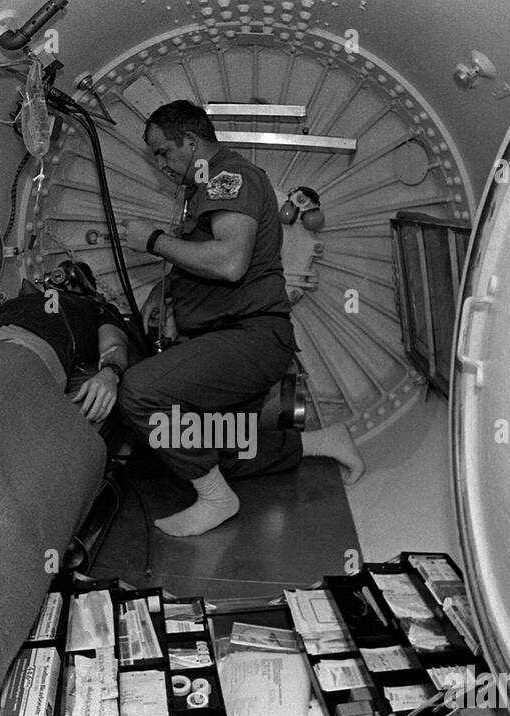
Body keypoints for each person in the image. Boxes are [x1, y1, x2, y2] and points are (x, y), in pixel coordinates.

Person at [120, 99, 364, 537]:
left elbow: (230, 261)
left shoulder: (228, 178)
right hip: (230, 337)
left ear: (191, 142)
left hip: (249, 336)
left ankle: (216, 499)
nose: (160, 165)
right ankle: (326, 442)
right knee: (216, 447)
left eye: (162, 152)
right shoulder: (203, 188)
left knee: (139, 393)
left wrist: (153, 240)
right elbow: (201, 264)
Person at [0, 269, 131, 425]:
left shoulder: (95, 307)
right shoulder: (28, 297)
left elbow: (115, 344)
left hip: (32, 344)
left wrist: (110, 373)